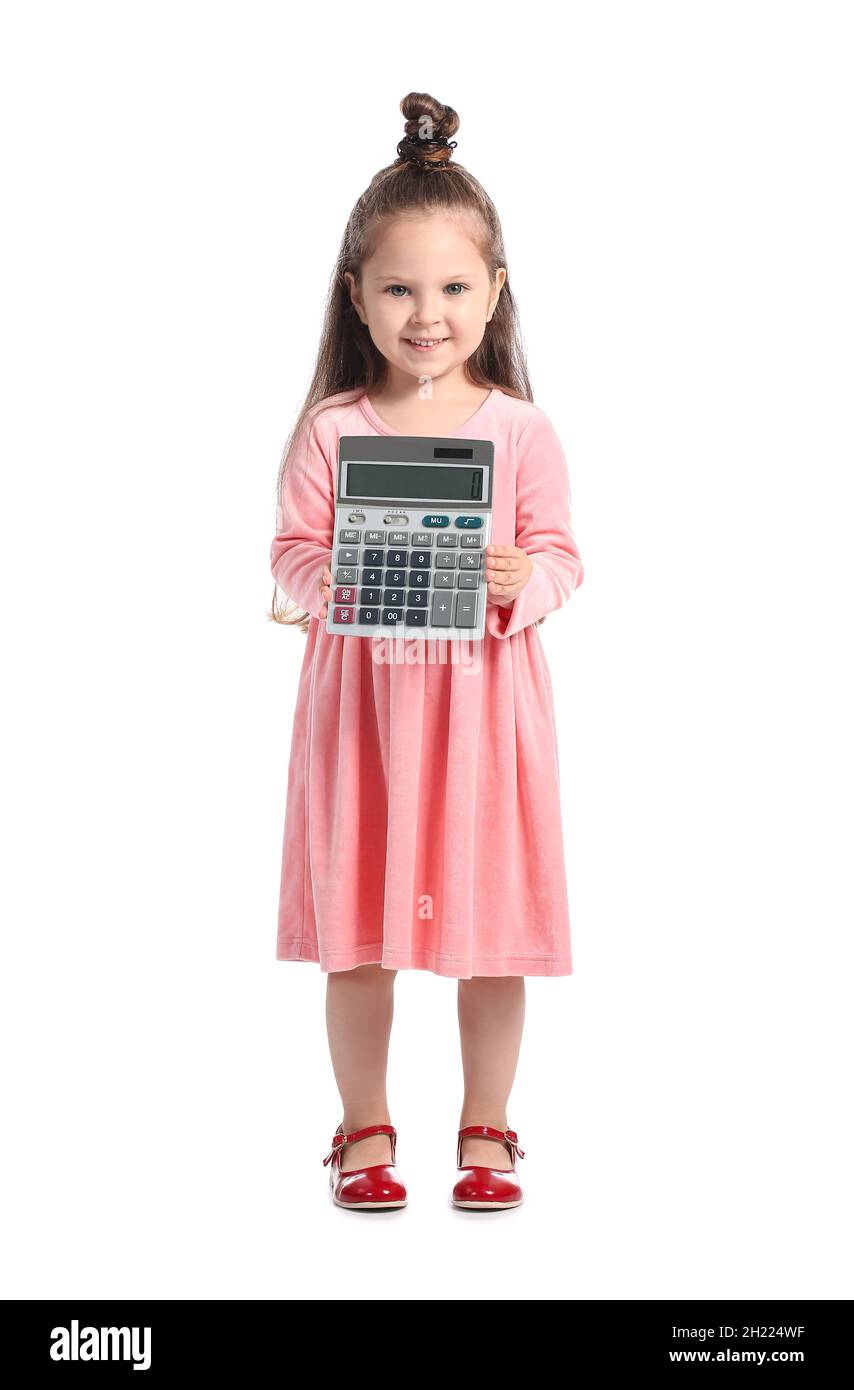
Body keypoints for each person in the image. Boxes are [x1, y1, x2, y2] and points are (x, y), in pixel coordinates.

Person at [269, 92, 584, 1211]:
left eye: (452, 287)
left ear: (493, 292)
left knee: (489, 929)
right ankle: (362, 1129)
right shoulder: (332, 429)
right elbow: (295, 553)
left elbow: (559, 553)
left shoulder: (519, 428)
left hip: (482, 719)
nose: (425, 313)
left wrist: (523, 581)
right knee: (357, 936)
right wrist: (321, 585)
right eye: (397, 287)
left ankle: (487, 1127)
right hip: (364, 719)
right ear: (355, 297)